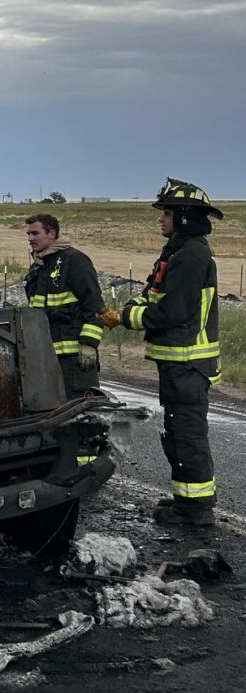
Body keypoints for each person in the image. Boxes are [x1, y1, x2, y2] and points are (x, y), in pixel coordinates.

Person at [101, 179, 221, 529]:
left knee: (187, 434)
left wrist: (124, 317)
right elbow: (152, 294)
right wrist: (128, 308)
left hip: (188, 363)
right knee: (179, 431)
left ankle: (196, 510)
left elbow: (172, 311)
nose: (161, 219)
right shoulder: (176, 251)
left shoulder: (191, 254)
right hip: (176, 363)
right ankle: (188, 499)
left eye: (167, 213)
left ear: (183, 216)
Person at [23, 212, 104, 397]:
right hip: (48, 355)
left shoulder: (74, 261)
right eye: (28, 234)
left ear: (51, 233)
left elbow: (95, 306)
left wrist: (89, 344)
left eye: (35, 234)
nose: (30, 239)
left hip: (75, 357)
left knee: (81, 413)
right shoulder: (39, 267)